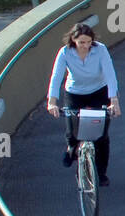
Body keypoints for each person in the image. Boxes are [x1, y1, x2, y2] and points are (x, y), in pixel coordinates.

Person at [46, 22, 120, 186]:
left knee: (101, 136)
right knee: (72, 131)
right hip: (75, 93)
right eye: (82, 42)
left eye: (88, 42)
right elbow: (56, 76)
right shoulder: (65, 52)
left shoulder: (100, 49)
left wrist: (114, 100)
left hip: (98, 91)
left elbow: (110, 73)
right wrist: (52, 101)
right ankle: (71, 149)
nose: (86, 46)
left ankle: (100, 174)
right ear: (73, 40)